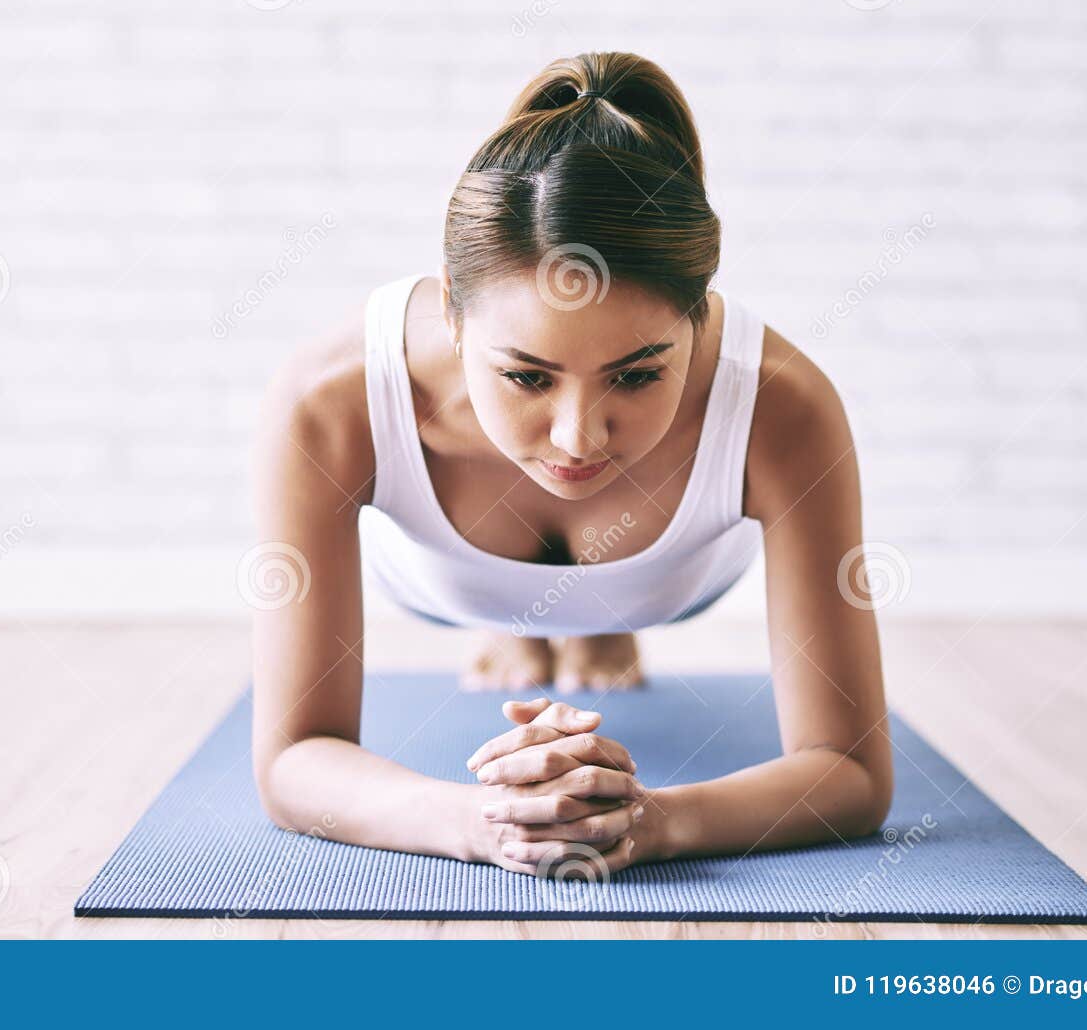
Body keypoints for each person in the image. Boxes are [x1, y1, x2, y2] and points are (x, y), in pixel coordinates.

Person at [248, 51, 892, 877]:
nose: (577, 440)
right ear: (451, 309)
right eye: (526, 376)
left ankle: (595, 620)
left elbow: (854, 773)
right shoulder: (328, 401)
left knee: (594, 599)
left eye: (635, 374)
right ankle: (524, 620)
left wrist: (651, 821)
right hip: (441, 574)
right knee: (521, 609)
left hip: (673, 574)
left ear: (700, 317)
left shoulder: (782, 405)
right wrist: (485, 820)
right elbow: (292, 759)